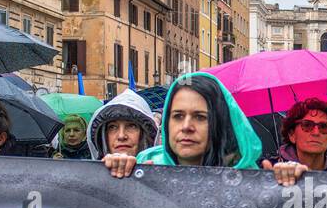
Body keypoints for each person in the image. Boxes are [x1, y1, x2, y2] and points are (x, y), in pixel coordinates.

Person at [103, 72, 262, 179]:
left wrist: (282, 184)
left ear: (219, 123)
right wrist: (114, 174)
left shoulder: (248, 176)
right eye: (178, 116)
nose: (186, 126)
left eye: (200, 117)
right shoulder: (145, 165)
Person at [262, 97, 327, 185]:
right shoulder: (269, 169)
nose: (316, 132)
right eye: (307, 125)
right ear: (292, 134)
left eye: (324, 127)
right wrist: (271, 179)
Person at [88, 90, 158, 161]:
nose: (121, 136)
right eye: (113, 127)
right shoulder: (84, 172)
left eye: (131, 126)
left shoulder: (165, 171)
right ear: (103, 136)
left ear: (145, 134)